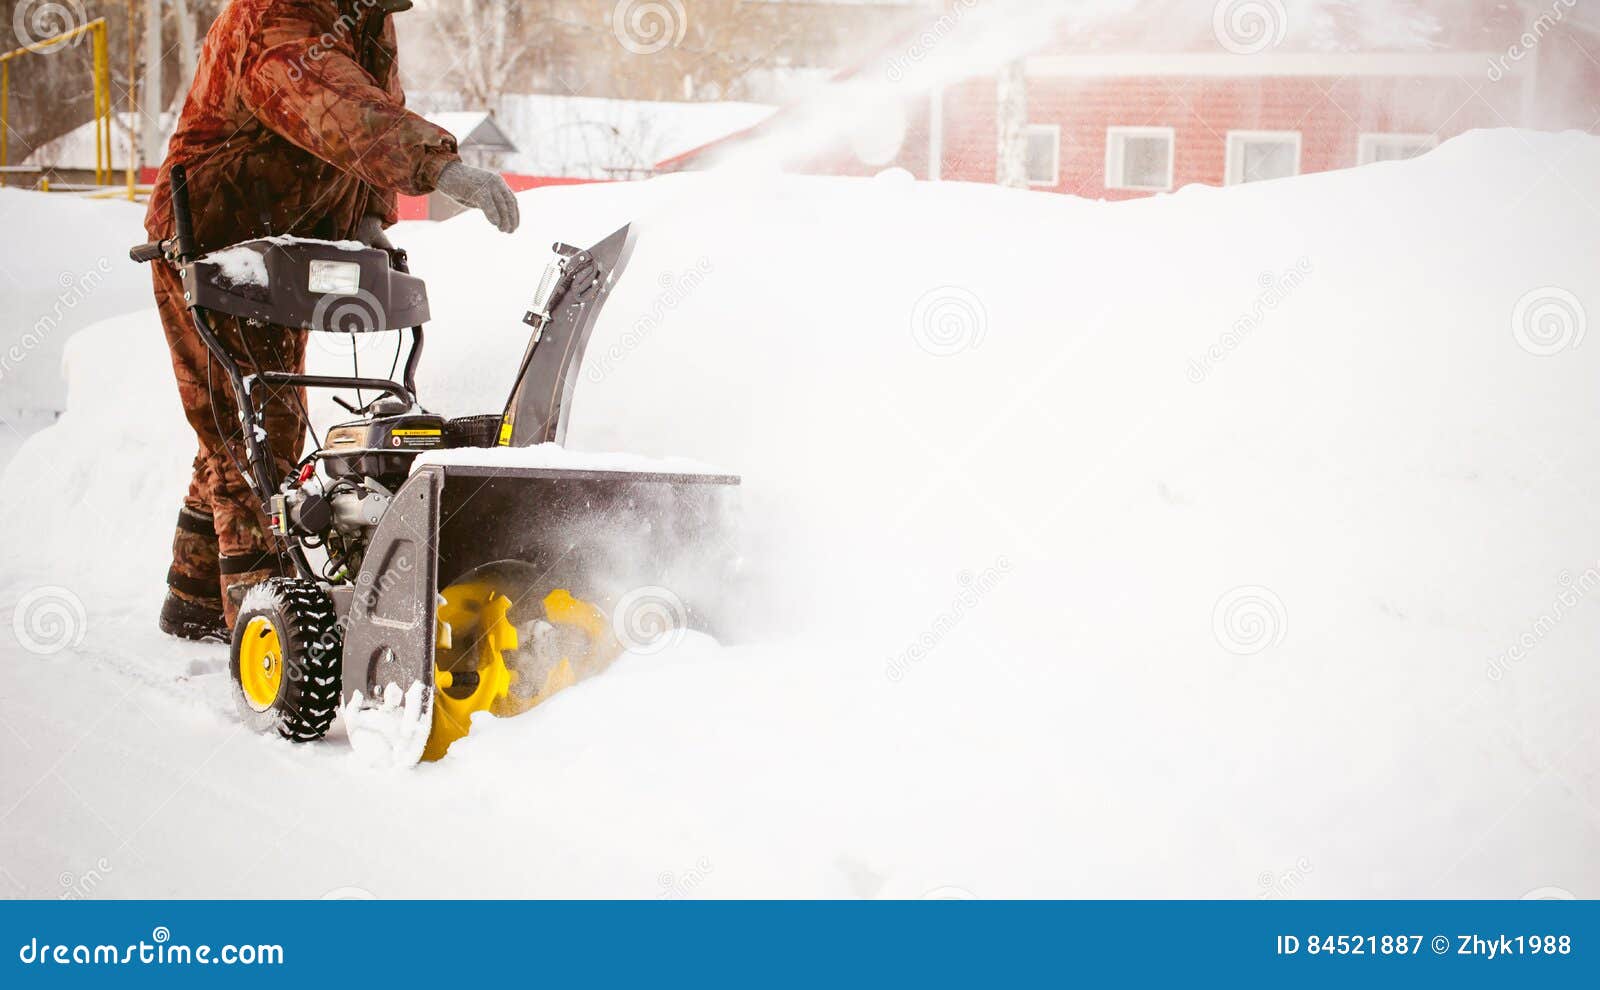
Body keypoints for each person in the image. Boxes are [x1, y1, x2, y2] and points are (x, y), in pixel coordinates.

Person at [147, 0, 520, 640]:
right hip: (210, 239)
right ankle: (264, 633)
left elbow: (376, 99)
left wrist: (370, 213)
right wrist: (440, 167)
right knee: (251, 435)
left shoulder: (367, 14)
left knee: (246, 417)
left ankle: (193, 601)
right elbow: (339, 110)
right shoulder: (272, 17)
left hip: (287, 245)